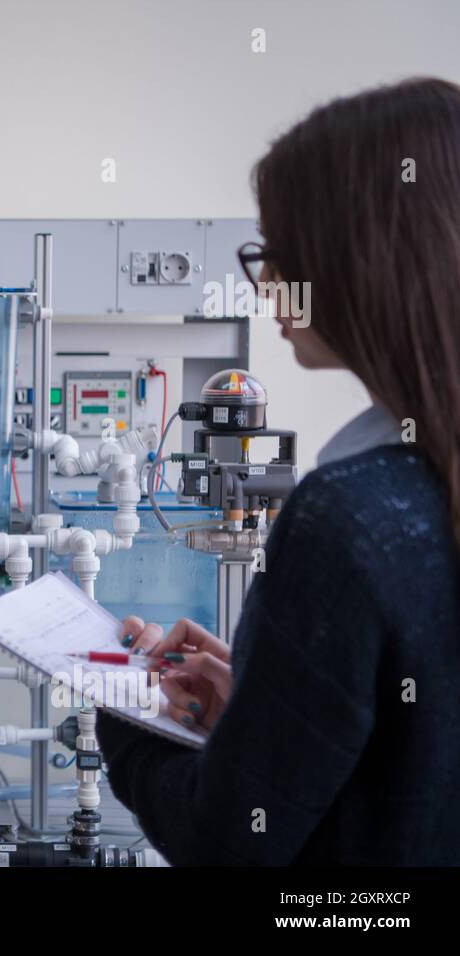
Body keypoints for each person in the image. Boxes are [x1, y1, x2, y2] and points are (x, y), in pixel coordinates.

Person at [97, 77, 460, 865]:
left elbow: (229, 839)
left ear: (357, 256)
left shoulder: (348, 518)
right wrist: (268, 708)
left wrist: (121, 711)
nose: (265, 285)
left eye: (278, 251)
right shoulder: (418, 495)